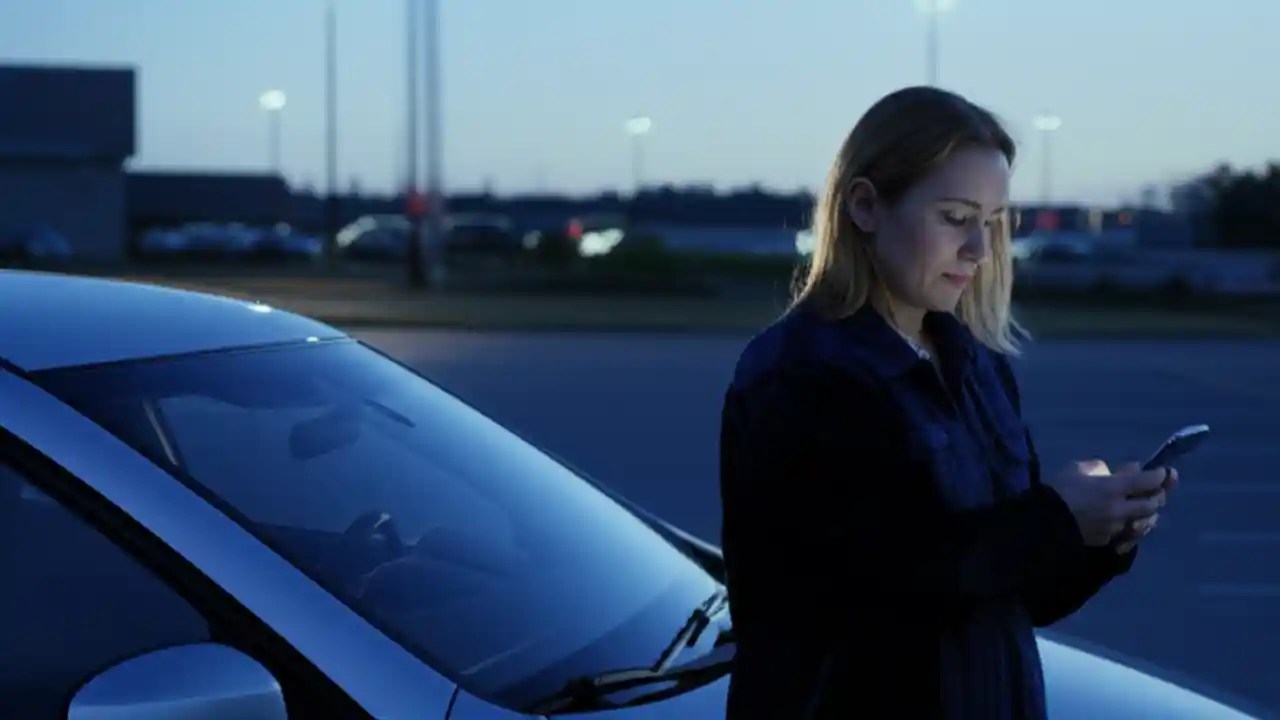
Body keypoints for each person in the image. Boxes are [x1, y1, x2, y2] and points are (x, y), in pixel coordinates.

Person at [717, 86, 1178, 719]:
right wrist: (1051, 519)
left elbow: (1010, 593)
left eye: (992, 223)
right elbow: (873, 591)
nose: (981, 252)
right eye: (957, 218)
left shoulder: (976, 366)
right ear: (865, 206)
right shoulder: (798, 377)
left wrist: (1099, 536)